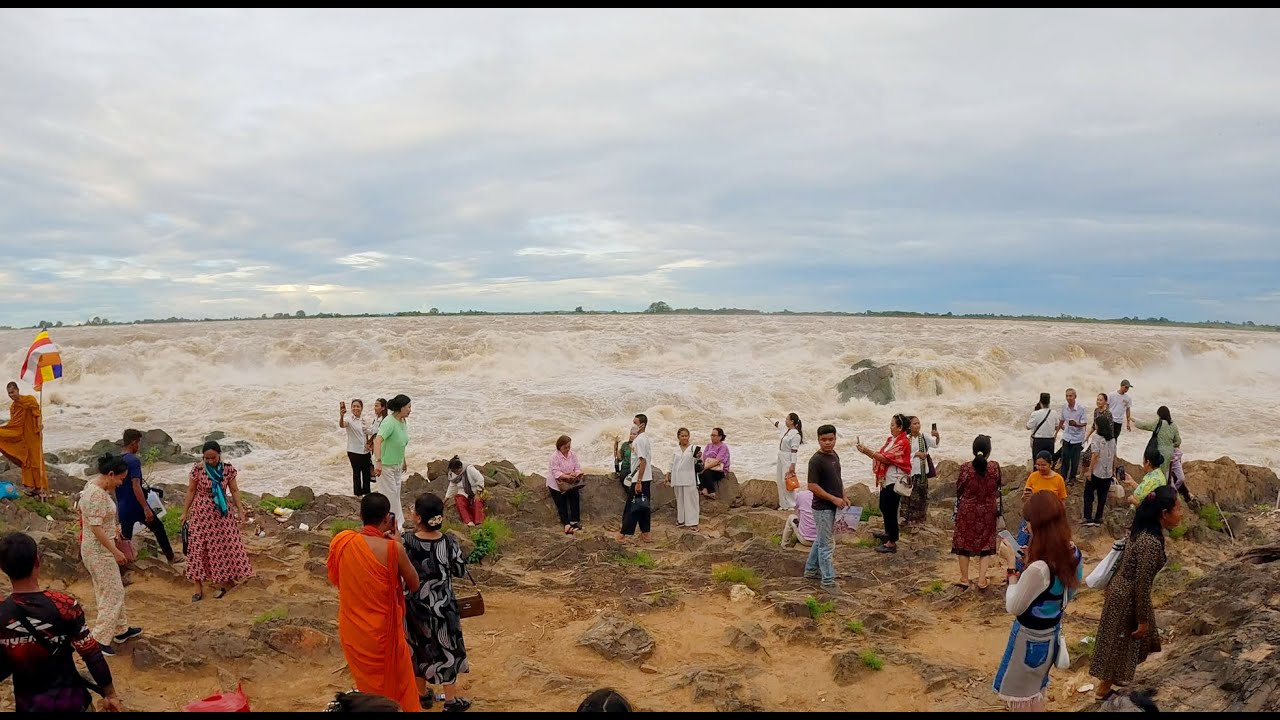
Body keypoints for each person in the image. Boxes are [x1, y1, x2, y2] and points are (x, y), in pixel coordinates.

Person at [0, 532, 122, 712]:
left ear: (3, 568)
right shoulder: (64, 605)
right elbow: (91, 653)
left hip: (29, 705)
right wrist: (110, 694)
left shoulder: (2, 612)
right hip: (72, 702)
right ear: (37, 561)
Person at [328, 493, 421, 712]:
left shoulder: (342, 541)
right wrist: (398, 546)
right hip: (385, 632)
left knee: (367, 686)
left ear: (360, 515)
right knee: (401, 683)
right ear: (387, 519)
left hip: (354, 630)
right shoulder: (392, 549)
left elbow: (335, 577)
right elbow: (414, 583)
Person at [993, 490, 1082, 711]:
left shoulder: (1039, 570)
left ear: (1041, 526)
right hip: (1051, 634)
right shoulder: (1074, 553)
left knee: (1021, 699)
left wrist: (1011, 566)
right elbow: (1067, 593)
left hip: (1029, 640)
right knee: (1035, 693)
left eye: (1029, 523)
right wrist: (1029, 559)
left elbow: (1013, 606)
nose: (1026, 528)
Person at [1090, 485, 1182, 700]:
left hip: (1121, 590)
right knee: (1123, 641)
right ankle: (1103, 690)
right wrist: (1141, 618)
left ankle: (1116, 677)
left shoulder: (1142, 531)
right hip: (1128, 596)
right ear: (1164, 514)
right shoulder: (1151, 543)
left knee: (1124, 641)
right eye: (1178, 509)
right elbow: (1142, 583)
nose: (1181, 513)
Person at [404, 493, 471, 712]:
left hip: (415, 605)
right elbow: (460, 570)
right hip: (444, 606)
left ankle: (421, 695)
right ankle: (450, 701)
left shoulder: (407, 540)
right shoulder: (449, 541)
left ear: (418, 518)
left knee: (418, 648)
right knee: (448, 648)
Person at [79, 454, 142, 655]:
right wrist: (115, 551)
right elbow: (96, 528)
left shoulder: (93, 487)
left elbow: (92, 518)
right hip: (99, 551)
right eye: (120, 479)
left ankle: (121, 629)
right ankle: (99, 638)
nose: (121, 482)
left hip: (94, 547)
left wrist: (112, 528)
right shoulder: (97, 494)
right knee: (113, 592)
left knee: (108, 589)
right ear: (111, 474)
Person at [181, 441, 254, 602]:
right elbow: (191, 490)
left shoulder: (227, 469)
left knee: (222, 547)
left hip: (221, 514)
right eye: (207, 458)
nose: (210, 461)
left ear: (219, 455)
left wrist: (240, 510)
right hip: (201, 514)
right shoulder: (198, 470)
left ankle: (223, 581)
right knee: (197, 547)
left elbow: (234, 490)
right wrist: (185, 512)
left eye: (213, 458)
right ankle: (197, 586)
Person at [117, 429, 176, 564]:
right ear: (133, 443)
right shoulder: (133, 461)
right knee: (158, 528)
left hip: (122, 506)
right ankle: (171, 557)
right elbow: (136, 485)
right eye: (138, 443)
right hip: (136, 505)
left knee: (126, 538)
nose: (139, 446)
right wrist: (145, 507)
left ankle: (123, 565)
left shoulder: (117, 460)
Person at [951, 435, 1002, 590]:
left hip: (967, 510)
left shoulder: (966, 468)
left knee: (963, 542)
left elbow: (959, 488)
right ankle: (981, 580)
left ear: (974, 450)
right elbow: (997, 486)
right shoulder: (995, 467)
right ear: (989, 451)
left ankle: (965, 579)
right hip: (988, 510)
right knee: (985, 544)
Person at [856, 414, 912, 554]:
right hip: (887, 479)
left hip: (896, 480)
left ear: (900, 428)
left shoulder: (903, 442)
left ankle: (892, 542)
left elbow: (886, 459)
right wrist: (869, 452)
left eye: (893, 425)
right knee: (884, 506)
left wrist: (867, 451)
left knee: (891, 509)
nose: (890, 427)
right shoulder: (890, 440)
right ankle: (888, 533)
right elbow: (882, 455)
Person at [803, 425, 847, 589]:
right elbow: (812, 486)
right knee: (826, 545)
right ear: (818, 440)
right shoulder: (816, 460)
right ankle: (828, 581)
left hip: (834, 504)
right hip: (822, 508)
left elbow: (838, 478)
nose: (828, 443)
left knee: (821, 540)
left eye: (831, 439)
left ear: (835, 439)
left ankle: (811, 570)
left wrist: (843, 496)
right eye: (824, 440)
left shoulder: (834, 455)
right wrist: (833, 499)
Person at [0, 381, 47, 499]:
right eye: (9, 393)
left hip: (33, 435)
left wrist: (40, 425)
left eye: (13, 392)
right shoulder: (13, 407)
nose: (11, 395)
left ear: (17, 390)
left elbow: (37, 414)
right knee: (26, 460)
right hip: (21, 436)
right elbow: (14, 424)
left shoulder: (29, 400)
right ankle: (31, 487)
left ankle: (41, 488)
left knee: (36, 460)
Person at [373, 394, 412, 528]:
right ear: (401, 408)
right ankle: (394, 525)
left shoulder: (402, 421)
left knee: (396, 495)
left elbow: (400, 443)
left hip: (397, 464)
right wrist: (378, 462)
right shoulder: (389, 422)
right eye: (408, 407)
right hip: (385, 465)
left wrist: (404, 460)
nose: (410, 410)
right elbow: (377, 441)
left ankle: (398, 523)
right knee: (389, 496)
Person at [617, 414, 653, 544]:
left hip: (640, 479)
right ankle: (646, 534)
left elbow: (642, 461)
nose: (633, 424)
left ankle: (623, 534)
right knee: (643, 507)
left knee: (632, 507)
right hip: (645, 478)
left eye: (635, 422)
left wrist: (638, 482)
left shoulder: (639, 440)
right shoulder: (644, 439)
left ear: (642, 425)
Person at [903, 417, 939, 526]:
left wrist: (937, 436)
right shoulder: (905, 439)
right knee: (908, 497)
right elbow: (902, 456)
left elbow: (935, 444)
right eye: (915, 423)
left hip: (922, 472)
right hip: (909, 472)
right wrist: (916, 454)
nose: (917, 425)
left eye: (918, 423)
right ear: (909, 426)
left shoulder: (923, 437)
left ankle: (918, 521)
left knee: (921, 496)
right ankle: (907, 519)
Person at [1083, 416, 1118, 526]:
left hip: (1096, 472)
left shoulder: (1096, 437)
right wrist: (1113, 471)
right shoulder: (1112, 439)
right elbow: (1114, 456)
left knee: (1088, 494)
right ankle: (1098, 517)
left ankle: (1088, 517)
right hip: (1107, 473)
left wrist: (1089, 471)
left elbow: (1095, 455)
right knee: (1102, 497)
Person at [548, 436, 585, 535]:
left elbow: (577, 467)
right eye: (565, 447)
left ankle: (575, 521)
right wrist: (567, 476)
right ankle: (566, 524)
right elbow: (556, 473)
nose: (567, 449)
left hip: (570, 482)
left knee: (575, 497)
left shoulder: (572, 454)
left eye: (569, 447)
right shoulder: (554, 457)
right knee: (561, 502)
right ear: (559, 447)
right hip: (557, 484)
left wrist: (577, 473)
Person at [1134, 406, 1181, 482]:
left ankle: (1156, 491)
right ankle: (1164, 490)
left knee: (1156, 474)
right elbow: (1178, 441)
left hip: (1159, 452)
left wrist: (1134, 421)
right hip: (1169, 453)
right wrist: (1170, 446)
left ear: (1160, 415)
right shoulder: (1173, 425)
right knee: (1164, 474)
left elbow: (1144, 425)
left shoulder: (1159, 422)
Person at [667, 428, 700, 531]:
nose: (685, 438)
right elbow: (671, 463)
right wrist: (668, 474)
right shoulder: (676, 450)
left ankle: (693, 523)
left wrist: (698, 456)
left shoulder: (693, 448)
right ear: (678, 437)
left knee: (691, 500)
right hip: (677, 478)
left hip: (689, 478)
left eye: (686, 436)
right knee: (680, 499)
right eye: (682, 436)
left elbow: (697, 458)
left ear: (689, 437)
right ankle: (681, 520)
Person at [341, 399, 372, 497]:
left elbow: (365, 434)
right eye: (354, 406)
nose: (356, 408)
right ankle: (357, 495)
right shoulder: (349, 420)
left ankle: (367, 494)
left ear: (361, 408)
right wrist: (341, 415)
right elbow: (342, 425)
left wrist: (368, 443)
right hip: (354, 451)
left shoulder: (364, 420)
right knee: (357, 474)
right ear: (351, 408)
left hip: (365, 451)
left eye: (358, 406)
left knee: (366, 473)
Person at [1057, 388, 1088, 487]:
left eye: (1070, 396)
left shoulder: (1081, 408)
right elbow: (1061, 420)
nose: (1068, 398)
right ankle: (1063, 477)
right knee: (1065, 458)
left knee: (1075, 460)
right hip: (1066, 436)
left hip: (1077, 438)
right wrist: (1056, 433)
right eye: (1067, 396)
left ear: (1075, 397)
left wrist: (1076, 424)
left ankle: (1072, 478)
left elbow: (1084, 423)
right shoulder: (1064, 407)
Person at [772, 414, 803, 511]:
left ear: (792, 421)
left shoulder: (796, 435)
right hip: (781, 455)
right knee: (780, 480)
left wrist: (793, 464)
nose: (785, 421)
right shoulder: (786, 430)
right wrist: (769, 418)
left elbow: (794, 451)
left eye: (787, 419)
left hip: (788, 457)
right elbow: (777, 424)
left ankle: (792, 504)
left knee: (787, 481)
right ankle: (783, 504)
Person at [445, 457, 486, 527]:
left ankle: (479, 522)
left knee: (477, 501)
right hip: (464, 492)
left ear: (460, 468)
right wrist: (445, 500)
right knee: (459, 500)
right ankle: (468, 521)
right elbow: (452, 487)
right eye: (453, 471)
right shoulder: (453, 475)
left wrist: (478, 493)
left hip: (475, 490)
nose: (455, 473)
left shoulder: (469, 469)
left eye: (456, 471)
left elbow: (480, 479)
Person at [1027, 392, 1059, 468]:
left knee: (1037, 463)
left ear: (1040, 402)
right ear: (1049, 402)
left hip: (1038, 441)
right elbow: (1057, 426)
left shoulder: (1035, 413)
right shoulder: (1054, 413)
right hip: (1050, 440)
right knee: (1049, 463)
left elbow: (1028, 426)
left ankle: (1038, 478)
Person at [699, 428, 731, 499]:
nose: (712, 437)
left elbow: (718, 461)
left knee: (706, 472)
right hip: (708, 466)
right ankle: (704, 489)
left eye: (714, 435)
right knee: (698, 471)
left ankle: (711, 492)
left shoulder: (723, 447)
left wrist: (704, 468)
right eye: (711, 435)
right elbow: (704, 457)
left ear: (720, 437)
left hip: (719, 470)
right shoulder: (709, 445)